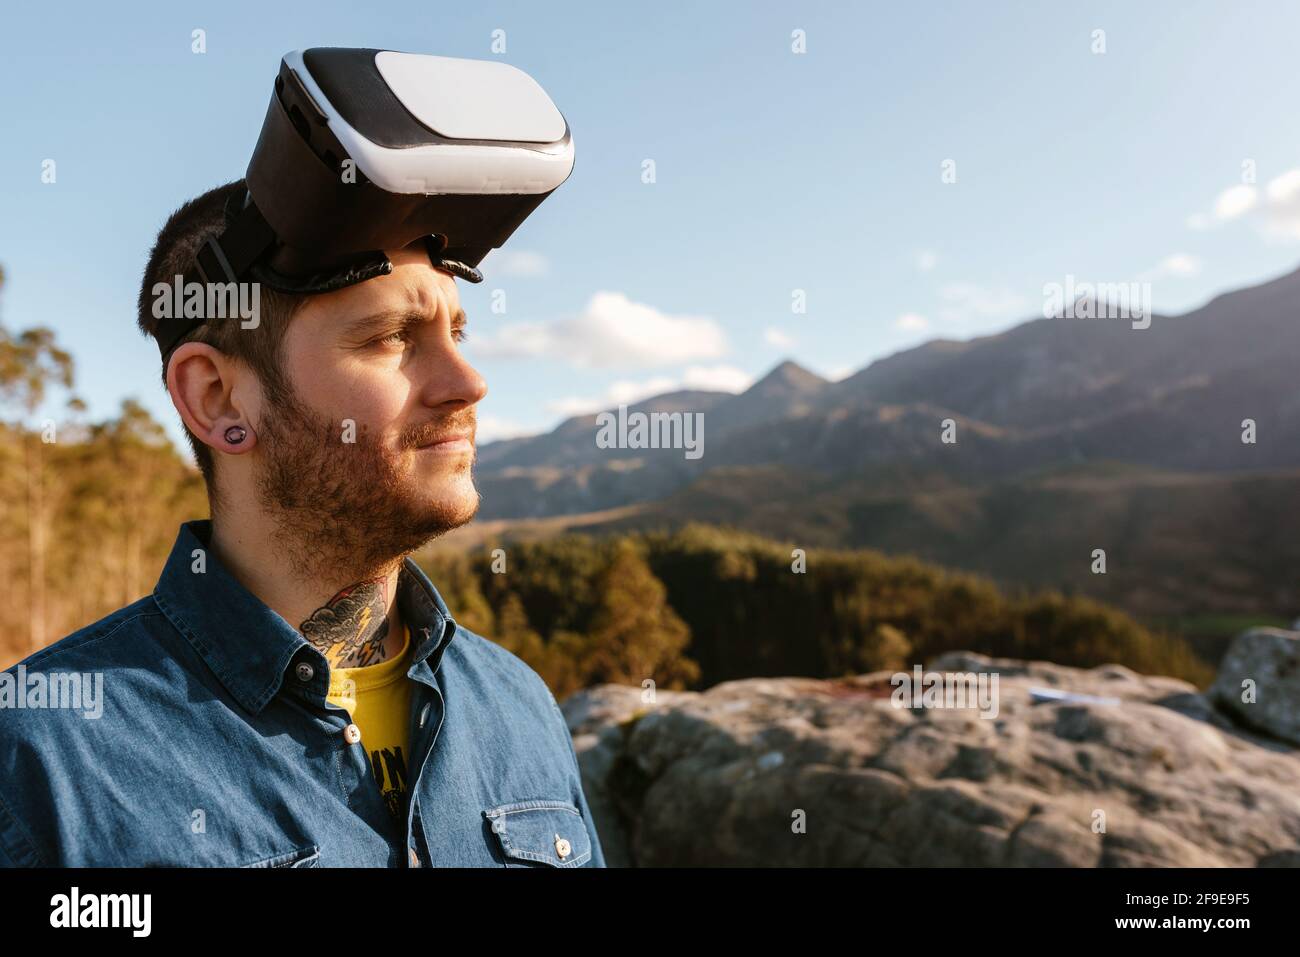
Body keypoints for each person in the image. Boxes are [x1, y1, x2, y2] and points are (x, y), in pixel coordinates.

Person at [0, 179, 606, 868]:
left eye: (456, 332)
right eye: (391, 337)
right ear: (218, 398)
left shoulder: (519, 705)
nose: (468, 381)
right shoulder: (42, 766)